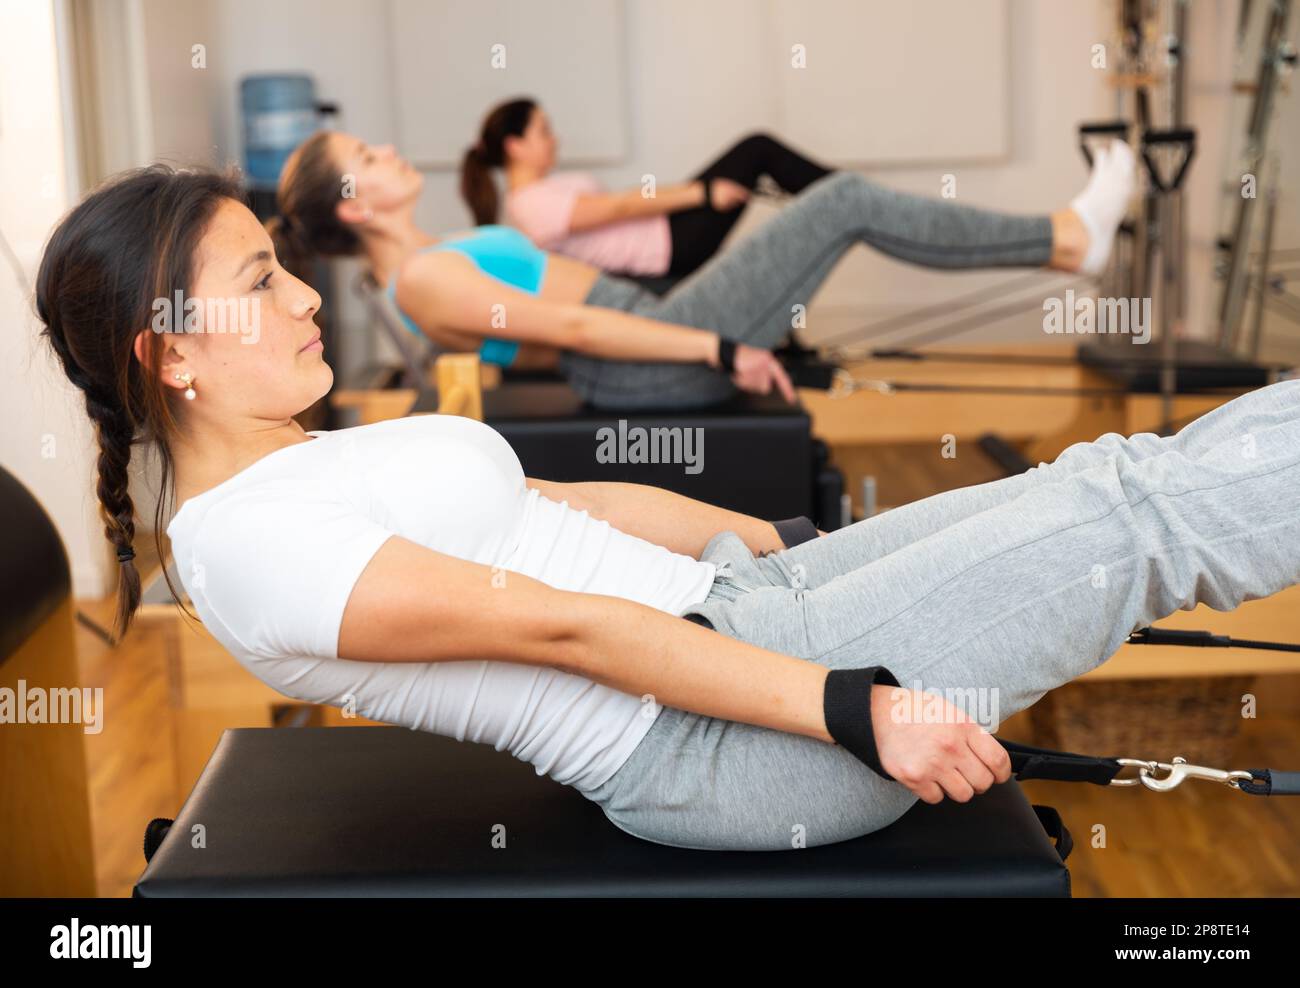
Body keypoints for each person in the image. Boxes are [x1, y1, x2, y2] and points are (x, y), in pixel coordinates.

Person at [37, 164, 1300, 851]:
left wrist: (788, 548)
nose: (306, 297)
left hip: (740, 609)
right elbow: (560, 627)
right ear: (172, 351)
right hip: (724, 744)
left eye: (287, 268)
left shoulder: (305, 455)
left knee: (1096, 476)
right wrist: (854, 706)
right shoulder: (247, 540)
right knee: (1133, 521)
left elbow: (556, 500)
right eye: (262, 281)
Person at [271, 129, 1136, 411]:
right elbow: (570, 328)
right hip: (649, 351)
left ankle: (1068, 240)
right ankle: (1067, 240)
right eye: (366, 158)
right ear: (354, 206)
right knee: (841, 202)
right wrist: (717, 349)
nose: (388, 151)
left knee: (839, 207)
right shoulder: (422, 281)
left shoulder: (430, 260)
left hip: (651, 328)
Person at [460, 97, 834, 279]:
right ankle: (847, 195)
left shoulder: (542, 191)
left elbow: (624, 204)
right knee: (756, 149)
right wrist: (704, 193)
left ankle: (845, 195)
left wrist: (698, 191)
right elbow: (618, 207)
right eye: (543, 131)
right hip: (668, 248)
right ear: (515, 146)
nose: (554, 139)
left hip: (665, 233)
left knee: (755, 151)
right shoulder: (530, 204)